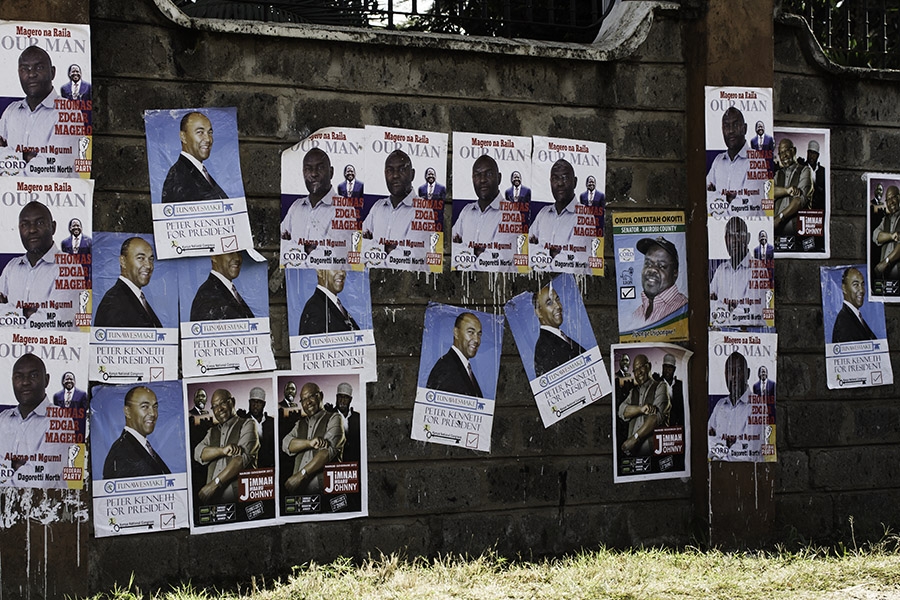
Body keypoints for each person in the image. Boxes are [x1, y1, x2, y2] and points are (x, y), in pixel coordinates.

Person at [0, 202, 77, 326]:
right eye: (25, 225)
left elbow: (56, 323)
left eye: (40, 223)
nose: (32, 230)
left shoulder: (68, 266)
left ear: (53, 227)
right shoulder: (11, 267)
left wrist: (9, 312)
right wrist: (26, 312)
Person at [0, 47, 72, 173]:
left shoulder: (68, 112)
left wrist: (9, 159)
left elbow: (54, 170)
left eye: (39, 68)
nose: (31, 74)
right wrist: (24, 157)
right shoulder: (10, 111)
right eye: (24, 69)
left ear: (53, 72)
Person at [194, 389, 259, 503]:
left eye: (223, 402)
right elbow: (198, 453)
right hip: (213, 501)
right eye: (215, 406)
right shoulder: (212, 432)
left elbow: (241, 460)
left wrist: (214, 484)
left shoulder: (248, 424)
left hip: (239, 499)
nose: (219, 409)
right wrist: (222, 451)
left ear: (232, 402)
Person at [0, 354, 54, 484]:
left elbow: (41, 479)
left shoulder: (59, 420)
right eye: (18, 377)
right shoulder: (2, 419)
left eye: (33, 375)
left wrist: (8, 469)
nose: (25, 382)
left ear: (46, 380)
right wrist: (22, 468)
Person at [282, 382, 344, 494]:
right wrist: (309, 443)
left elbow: (326, 453)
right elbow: (286, 444)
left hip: (324, 491)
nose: (307, 402)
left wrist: (300, 475)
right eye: (303, 399)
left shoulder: (334, 418)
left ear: (320, 396)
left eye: (311, 396)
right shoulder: (300, 424)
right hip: (298, 492)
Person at [709, 216, 766, 328]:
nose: (734, 240)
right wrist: (731, 309)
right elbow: (708, 308)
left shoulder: (758, 268)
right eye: (730, 236)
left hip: (750, 338)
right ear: (725, 240)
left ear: (748, 238)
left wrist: (721, 310)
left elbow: (751, 316)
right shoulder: (721, 270)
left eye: (739, 235)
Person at [102, 386, 171, 479]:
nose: (153, 413)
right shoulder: (121, 452)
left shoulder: (140, 445)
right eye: (145, 407)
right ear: (127, 412)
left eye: (155, 407)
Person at [94, 237, 163, 328]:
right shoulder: (114, 303)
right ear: (123, 261)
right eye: (140, 258)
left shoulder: (134, 297)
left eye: (151, 259)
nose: (149, 265)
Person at [161, 111, 228, 203]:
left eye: (210, 132)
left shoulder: (198, 171)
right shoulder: (179, 176)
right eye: (200, 132)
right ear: (183, 137)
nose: (208, 139)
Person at [362, 149, 419, 255]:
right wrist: (386, 249)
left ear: (412, 174)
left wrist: (373, 246)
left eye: (402, 169)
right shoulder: (377, 207)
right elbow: (359, 247)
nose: (395, 175)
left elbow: (412, 257)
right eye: (390, 170)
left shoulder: (422, 209)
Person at [452, 155, 510, 256]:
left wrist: (462, 249)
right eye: (477, 175)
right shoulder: (466, 211)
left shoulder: (510, 213)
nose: (482, 180)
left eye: (489, 174)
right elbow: (451, 251)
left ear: (499, 178)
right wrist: (475, 252)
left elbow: (497, 262)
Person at [281, 148, 339, 251]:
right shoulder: (296, 207)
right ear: (303, 173)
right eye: (308, 169)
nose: (313, 174)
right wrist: (307, 249)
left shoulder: (343, 207)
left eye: (320, 168)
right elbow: (281, 248)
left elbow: (333, 258)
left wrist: (292, 246)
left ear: (331, 172)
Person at [708, 351, 762, 460]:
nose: (733, 376)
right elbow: (708, 441)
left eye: (738, 371)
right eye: (729, 371)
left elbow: (748, 453)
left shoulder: (757, 405)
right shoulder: (720, 406)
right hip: (719, 472)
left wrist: (720, 449)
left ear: (748, 373)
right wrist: (728, 445)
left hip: (748, 474)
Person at [706, 107, 762, 209]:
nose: (731, 130)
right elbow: (704, 199)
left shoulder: (756, 160)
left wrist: (716, 197)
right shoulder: (718, 161)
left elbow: (750, 209)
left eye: (735, 125)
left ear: (744, 129)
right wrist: (729, 199)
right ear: (722, 130)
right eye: (726, 126)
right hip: (718, 225)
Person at [617, 354, 669, 456]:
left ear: (648, 366)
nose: (638, 372)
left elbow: (656, 418)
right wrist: (640, 409)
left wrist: (634, 438)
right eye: (635, 370)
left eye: (641, 367)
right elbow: (621, 411)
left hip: (653, 452)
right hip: (634, 454)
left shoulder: (661, 386)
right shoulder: (633, 392)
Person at [630, 237, 687, 328]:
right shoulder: (637, 314)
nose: (652, 269)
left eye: (661, 266)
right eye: (648, 264)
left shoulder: (683, 309)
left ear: (675, 273)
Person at [529, 159, 579, 257]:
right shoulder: (543, 213)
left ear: (575, 182)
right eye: (555, 178)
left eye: (565, 178)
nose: (560, 183)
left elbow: (575, 260)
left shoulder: (584, 216)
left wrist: (538, 249)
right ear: (550, 182)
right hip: (538, 272)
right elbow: (525, 249)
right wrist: (551, 253)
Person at [426, 312, 484, 397]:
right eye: (470, 332)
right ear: (456, 332)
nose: (476, 340)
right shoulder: (445, 368)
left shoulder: (461, 365)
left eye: (479, 334)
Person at [532, 283, 584, 377]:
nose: (558, 306)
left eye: (557, 299)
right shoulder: (544, 349)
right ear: (538, 312)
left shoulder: (560, 337)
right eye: (549, 303)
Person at [190, 251, 255, 321]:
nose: (237, 258)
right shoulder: (208, 295)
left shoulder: (224, 289)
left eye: (239, 253)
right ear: (213, 256)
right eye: (230, 252)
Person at [773, 137, 812, 240]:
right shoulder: (778, 174)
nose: (784, 155)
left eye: (786, 151)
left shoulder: (805, 170)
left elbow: (800, 200)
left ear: (794, 151)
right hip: (776, 231)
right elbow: (770, 192)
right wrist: (787, 190)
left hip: (795, 229)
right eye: (781, 153)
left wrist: (779, 218)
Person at [299, 269, 360, 334]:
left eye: (343, 267)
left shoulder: (333, 303)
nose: (342, 273)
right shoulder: (315, 308)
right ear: (319, 271)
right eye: (335, 266)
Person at [832, 267, 877, 343]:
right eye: (856, 285)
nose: (862, 290)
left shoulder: (854, 316)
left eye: (862, 284)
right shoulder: (844, 322)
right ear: (844, 288)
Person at [872, 185, 900, 280]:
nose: (891, 202)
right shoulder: (885, 220)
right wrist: (892, 236)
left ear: (899, 197)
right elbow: (876, 236)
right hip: (885, 275)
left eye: (893, 197)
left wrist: (886, 261)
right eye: (888, 200)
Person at [247, 386, 275, 469]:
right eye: (253, 402)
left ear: (264, 404)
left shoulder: (271, 422)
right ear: (249, 402)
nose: (255, 405)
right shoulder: (243, 422)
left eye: (259, 402)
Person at [331, 381, 359, 462]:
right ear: (336, 397)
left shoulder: (357, 418)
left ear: (350, 399)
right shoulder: (329, 416)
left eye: (346, 398)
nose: (342, 401)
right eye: (340, 397)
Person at [659, 353, 684, 428]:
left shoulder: (680, 385)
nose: (667, 370)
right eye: (666, 367)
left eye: (670, 368)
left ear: (674, 369)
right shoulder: (657, 384)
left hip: (677, 425)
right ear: (662, 367)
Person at [803, 140, 826, 211]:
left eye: (814, 153)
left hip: (818, 208)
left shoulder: (823, 171)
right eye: (810, 152)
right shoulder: (801, 168)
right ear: (807, 153)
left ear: (818, 155)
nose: (812, 156)